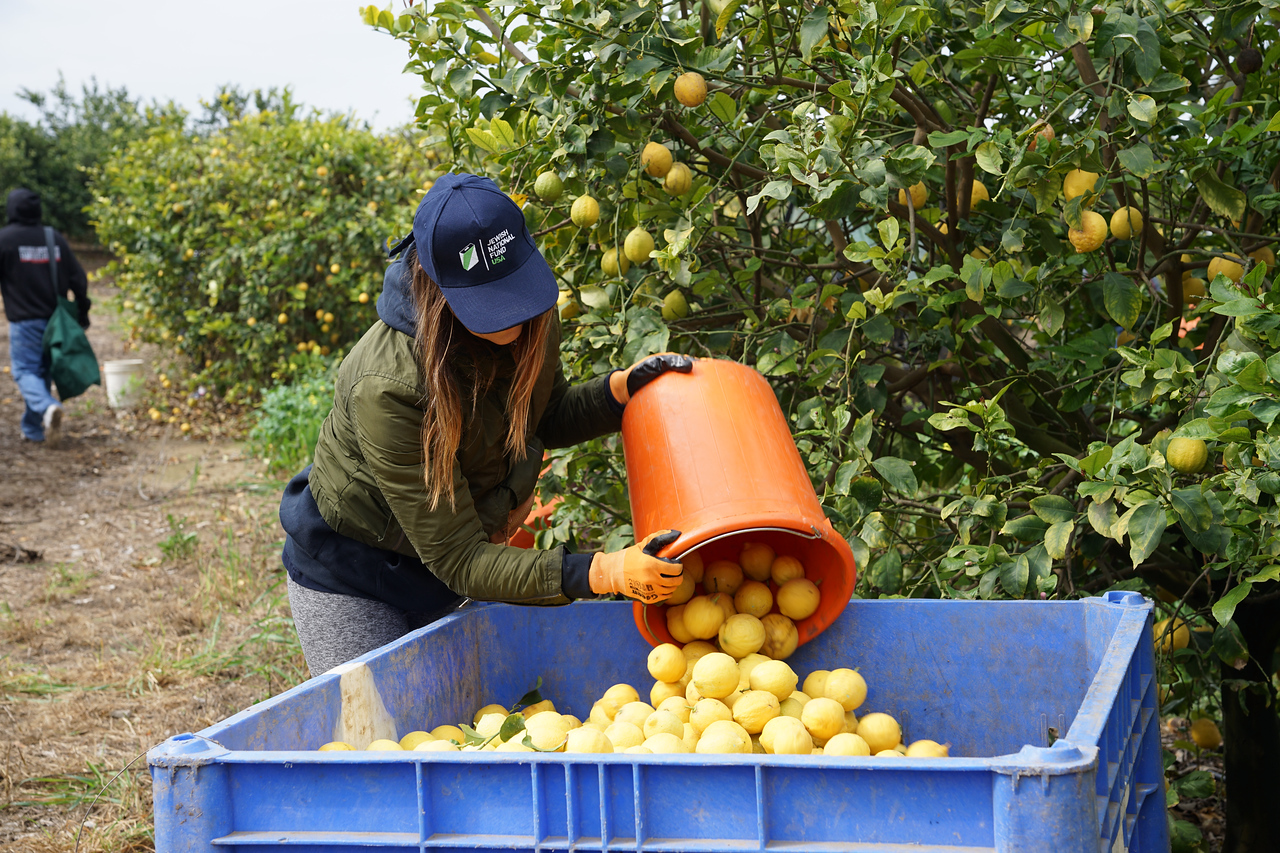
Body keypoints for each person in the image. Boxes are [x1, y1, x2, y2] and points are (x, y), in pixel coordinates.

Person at [278, 172, 693, 675]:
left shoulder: (532, 317)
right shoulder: (389, 385)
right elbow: (460, 559)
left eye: (516, 292)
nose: (513, 320)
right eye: (491, 304)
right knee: (379, 737)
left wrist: (619, 393)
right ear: (437, 291)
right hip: (357, 575)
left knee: (456, 727)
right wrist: (603, 570)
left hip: (449, 560)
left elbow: (544, 416)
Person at [0, 188, 91, 447]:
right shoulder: (54, 238)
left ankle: (48, 407)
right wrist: (82, 310)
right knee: (43, 375)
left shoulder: (4, 240)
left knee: (25, 371)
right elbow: (78, 278)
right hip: (56, 323)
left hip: (24, 322)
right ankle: (33, 428)